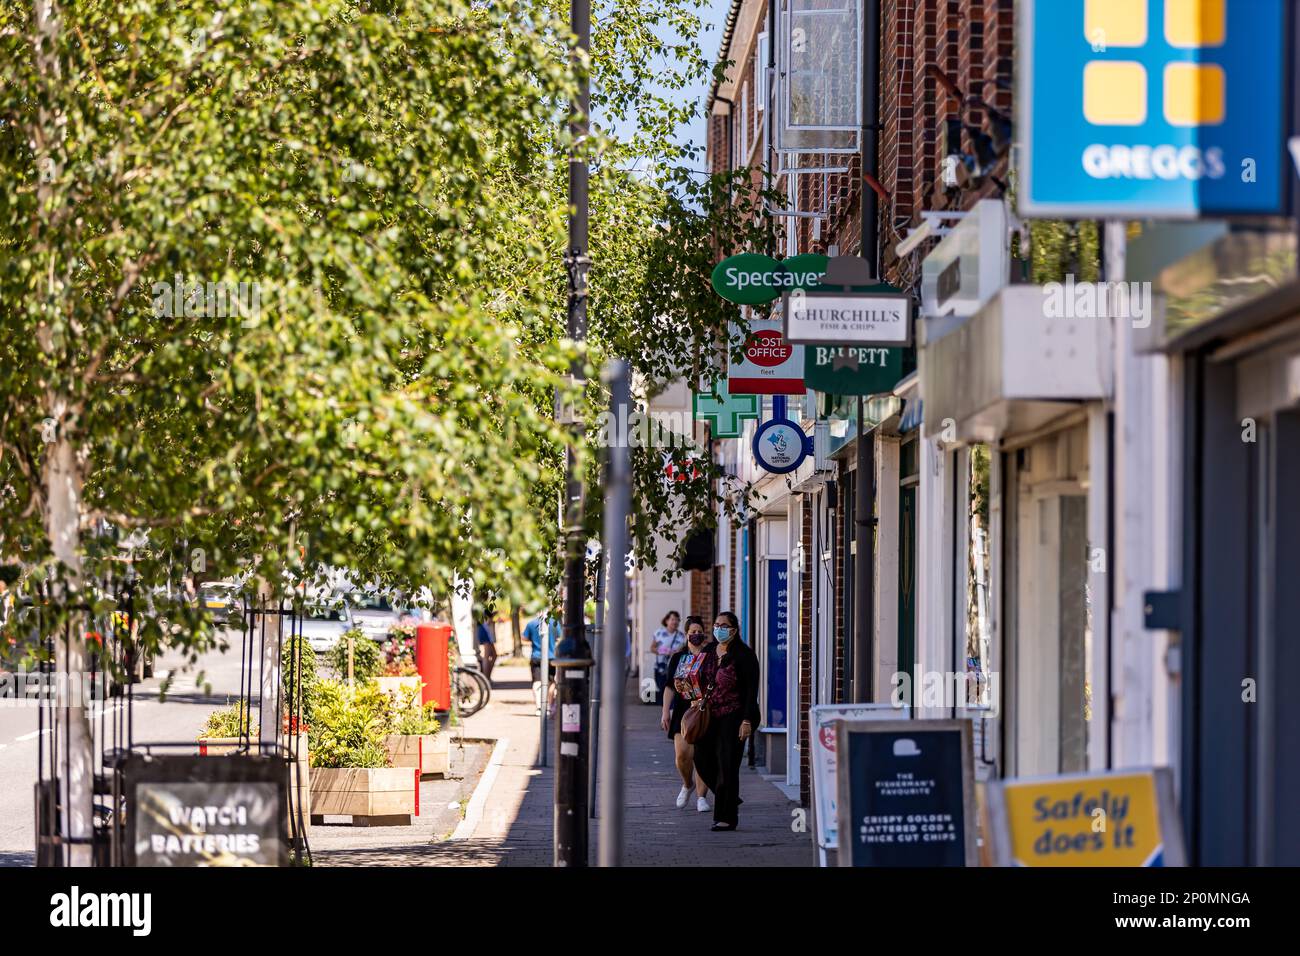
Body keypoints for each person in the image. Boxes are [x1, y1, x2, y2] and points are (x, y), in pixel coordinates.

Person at [691, 611, 760, 832]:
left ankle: (726, 817)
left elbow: (751, 692)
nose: (719, 628)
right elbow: (698, 677)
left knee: (727, 765)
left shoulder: (745, 655)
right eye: (716, 624)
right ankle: (729, 795)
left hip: (735, 716)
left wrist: (747, 720)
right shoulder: (710, 651)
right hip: (711, 714)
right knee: (701, 758)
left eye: (724, 625)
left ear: (734, 629)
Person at [660, 616, 713, 812]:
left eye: (700, 631)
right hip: (683, 711)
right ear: (686, 634)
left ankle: (701, 797)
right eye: (693, 632)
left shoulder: (711, 656)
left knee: (702, 755)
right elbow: (669, 687)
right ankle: (687, 784)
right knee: (682, 755)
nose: (697, 634)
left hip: (705, 710)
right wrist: (665, 711)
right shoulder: (678, 657)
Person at [522, 610, 559, 714]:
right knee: (551, 682)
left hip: (536, 657)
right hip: (551, 657)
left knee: (537, 682)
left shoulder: (531, 623)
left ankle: (539, 707)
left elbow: (524, 637)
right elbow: (560, 637)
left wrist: (534, 639)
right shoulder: (554, 623)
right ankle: (548, 706)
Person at [651, 610, 685, 704]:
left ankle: (670, 712)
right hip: (661, 668)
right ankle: (665, 712)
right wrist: (664, 652)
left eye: (677, 620)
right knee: (663, 691)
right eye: (672, 619)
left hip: (675, 668)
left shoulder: (681, 636)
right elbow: (652, 648)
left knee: (673, 692)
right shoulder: (659, 633)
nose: (675, 622)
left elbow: (684, 652)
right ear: (666, 620)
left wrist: (677, 653)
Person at [474, 608, 497, 683]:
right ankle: (485, 679)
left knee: (494, 655)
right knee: (487, 656)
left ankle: (487, 678)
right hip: (483, 627)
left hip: (485, 627)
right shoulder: (480, 604)